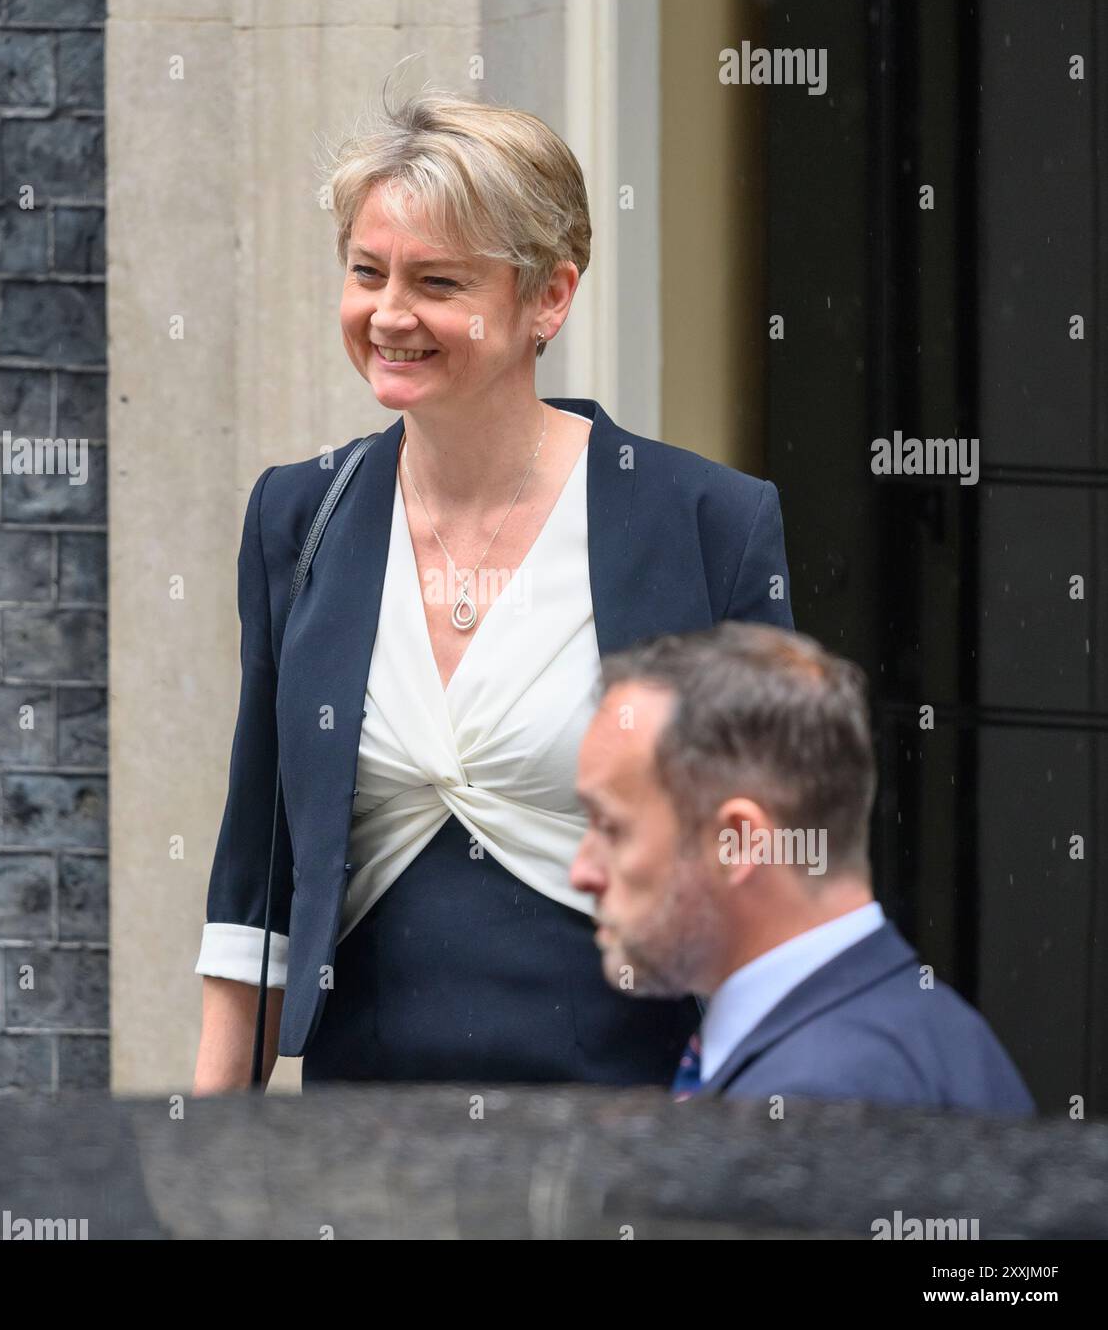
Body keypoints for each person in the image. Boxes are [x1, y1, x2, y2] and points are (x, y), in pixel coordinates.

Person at [192, 84, 793, 1093]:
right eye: (367, 272)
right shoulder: (299, 517)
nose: (389, 314)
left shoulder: (706, 524)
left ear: (547, 298)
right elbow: (255, 879)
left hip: (620, 1144)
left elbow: (769, 887)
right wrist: (203, 1172)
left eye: (436, 281)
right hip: (367, 1145)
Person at [571, 621, 1035, 1115]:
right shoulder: (933, 1031)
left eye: (611, 828)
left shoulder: (818, 1098)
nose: (582, 871)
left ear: (739, 843)